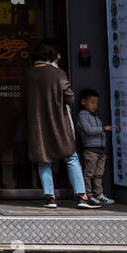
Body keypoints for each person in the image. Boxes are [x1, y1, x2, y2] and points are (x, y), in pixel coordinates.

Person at [24, 40, 100, 209]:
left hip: (38, 125)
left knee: (43, 160)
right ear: (51, 55)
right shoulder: (58, 74)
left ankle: (50, 198)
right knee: (71, 157)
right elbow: (70, 98)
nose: (59, 57)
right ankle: (82, 196)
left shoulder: (29, 74)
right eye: (57, 54)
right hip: (59, 123)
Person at [77, 89, 115, 206]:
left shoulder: (96, 117)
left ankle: (99, 194)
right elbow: (88, 130)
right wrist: (103, 129)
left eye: (96, 103)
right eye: (92, 102)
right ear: (83, 102)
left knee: (99, 174)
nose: (95, 105)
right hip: (90, 150)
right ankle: (88, 195)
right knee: (89, 173)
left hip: (100, 150)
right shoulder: (82, 115)